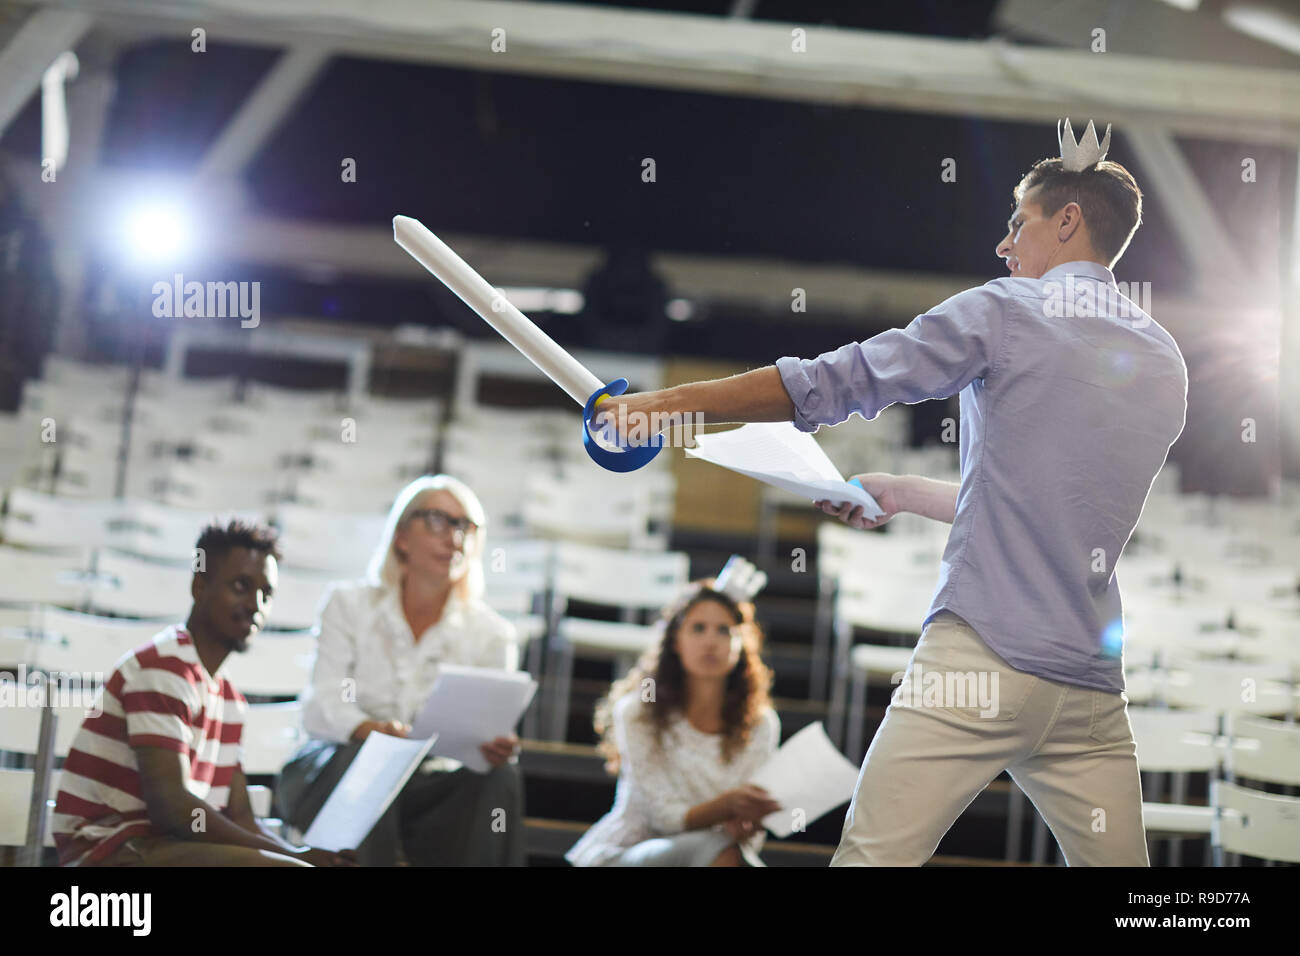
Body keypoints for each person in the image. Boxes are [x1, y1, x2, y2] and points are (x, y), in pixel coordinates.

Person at [595, 121, 1188, 866]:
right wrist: (903, 490)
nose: (1006, 247)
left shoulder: (1005, 308)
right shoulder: (1165, 361)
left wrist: (663, 405)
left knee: (872, 860)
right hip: (1089, 689)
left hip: (982, 656)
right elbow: (1043, 503)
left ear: (1067, 220)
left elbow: (832, 383)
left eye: (1019, 224)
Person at [51, 519, 353, 866]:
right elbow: (173, 811)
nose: (255, 604)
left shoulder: (229, 699)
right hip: (113, 850)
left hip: (170, 848)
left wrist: (302, 856)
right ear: (199, 585)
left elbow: (241, 817)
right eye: (241, 585)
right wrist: (292, 856)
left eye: (266, 593)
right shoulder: (163, 667)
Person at [277, 474, 525, 866]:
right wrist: (369, 729)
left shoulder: (493, 633)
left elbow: (485, 730)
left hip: (427, 786)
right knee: (367, 758)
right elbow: (321, 703)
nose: (454, 537)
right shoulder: (348, 604)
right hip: (335, 768)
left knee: (499, 777)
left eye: (465, 526)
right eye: (439, 521)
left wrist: (493, 745)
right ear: (402, 536)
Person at [566, 580, 781, 867]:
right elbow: (663, 818)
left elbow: (749, 831)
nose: (711, 641)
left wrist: (748, 824)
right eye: (698, 628)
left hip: (717, 853)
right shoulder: (638, 712)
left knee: (734, 855)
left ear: (741, 644)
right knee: (721, 851)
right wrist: (726, 807)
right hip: (630, 852)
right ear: (676, 641)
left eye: (724, 630)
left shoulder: (761, 723)